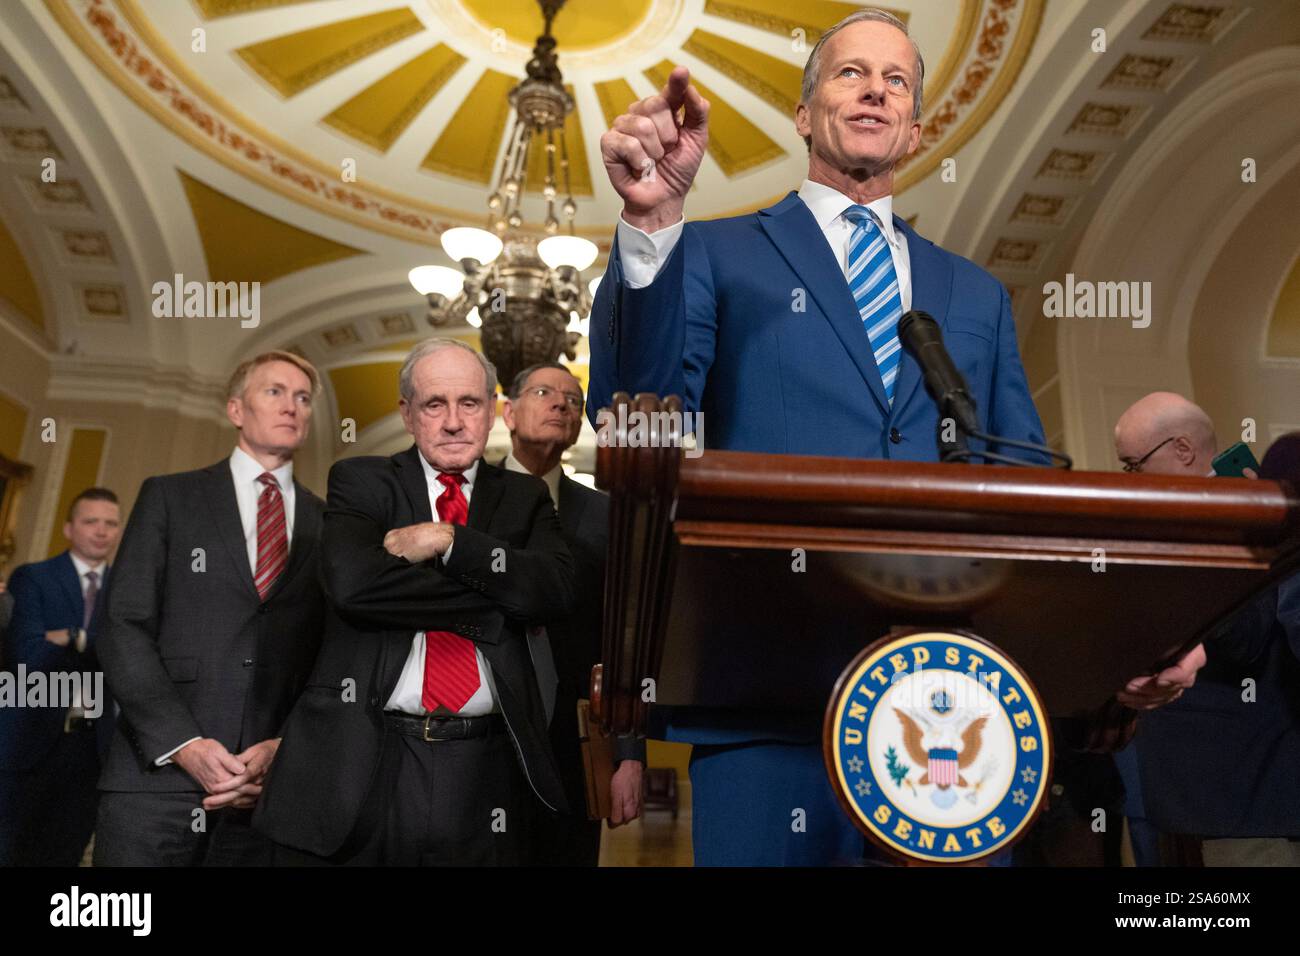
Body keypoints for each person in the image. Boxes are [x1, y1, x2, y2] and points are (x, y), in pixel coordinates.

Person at [588, 8, 1049, 865]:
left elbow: (1020, 477)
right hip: (769, 696)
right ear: (804, 116)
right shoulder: (718, 254)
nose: (876, 88)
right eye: (849, 73)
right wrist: (653, 228)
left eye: (897, 80)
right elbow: (636, 414)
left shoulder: (977, 295)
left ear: (913, 127)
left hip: (955, 708)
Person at [254, 339, 576, 866]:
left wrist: (451, 540)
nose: (453, 422)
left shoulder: (525, 498)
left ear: (493, 410)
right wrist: (493, 603)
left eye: (469, 404)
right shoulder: (361, 481)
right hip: (367, 758)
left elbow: (555, 591)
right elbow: (353, 587)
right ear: (408, 413)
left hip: (489, 763)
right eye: (434, 405)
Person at [93, 351, 327, 866]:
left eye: (303, 397)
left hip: (266, 793)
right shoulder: (171, 496)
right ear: (236, 410)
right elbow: (122, 624)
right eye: (274, 392)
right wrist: (184, 743)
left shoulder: (328, 522)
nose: (292, 406)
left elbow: (330, 654)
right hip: (156, 778)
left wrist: (281, 747)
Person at [1115, 396, 1299, 865]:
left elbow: (1248, 638)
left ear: (1181, 449)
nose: (1130, 480)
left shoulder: (1247, 511)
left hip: (1244, 801)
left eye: (1134, 465)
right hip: (1184, 800)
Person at [502, 363, 645, 864]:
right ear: (508, 412)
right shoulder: (471, 496)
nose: (561, 403)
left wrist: (628, 755)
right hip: (482, 733)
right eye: (544, 392)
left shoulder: (606, 514)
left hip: (576, 736)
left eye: (572, 398)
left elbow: (623, 635)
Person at [0, 488, 121, 866]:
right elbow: (28, 653)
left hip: (91, 750)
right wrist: (99, 647)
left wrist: (73, 636)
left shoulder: (128, 589)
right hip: (28, 740)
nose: (101, 531)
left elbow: (129, 655)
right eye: (90, 521)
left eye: (110, 523)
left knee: (64, 857)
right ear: (68, 528)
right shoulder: (34, 577)